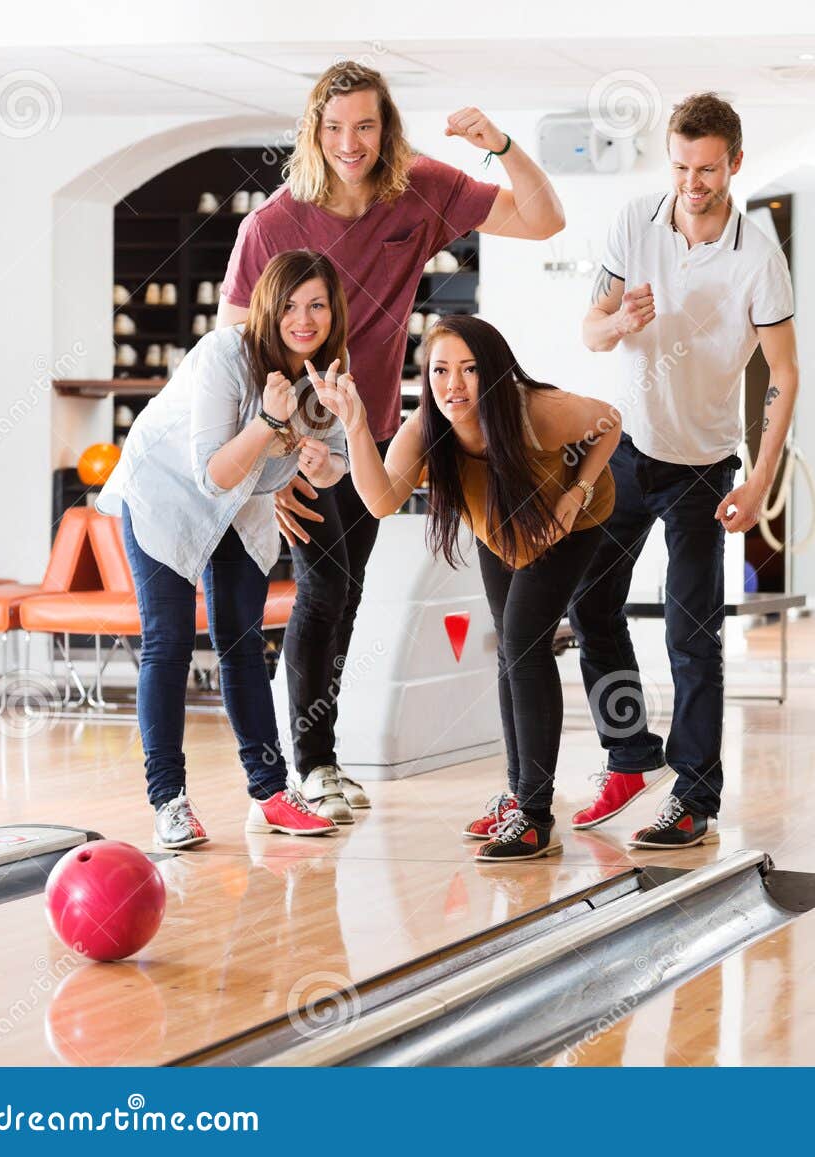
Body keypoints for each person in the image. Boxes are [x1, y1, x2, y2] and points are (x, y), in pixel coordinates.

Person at [218, 60, 566, 822]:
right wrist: (267, 466)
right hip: (298, 444)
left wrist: (502, 146)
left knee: (348, 594)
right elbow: (230, 350)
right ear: (313, 131)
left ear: (387, 129)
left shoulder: (421, 188)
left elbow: (544, 220)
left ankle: (322, 756)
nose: (351, 143)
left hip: (370, 435)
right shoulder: (271, 225)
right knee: (324, 589)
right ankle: (311, 763)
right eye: (335, 127)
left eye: (366, 126)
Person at [569, 92, 799, 849]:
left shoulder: (758, 257)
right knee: (588, 603)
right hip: (626, 450)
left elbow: (784, 372)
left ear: (734, 164)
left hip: (703, 466)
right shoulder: (634, 222)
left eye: (706, 169)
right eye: (679, 167)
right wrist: (619, 321)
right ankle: (630, 755)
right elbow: (591, 330)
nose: (691, 183)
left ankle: (695, 797)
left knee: (692, 637)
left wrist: (759, 481)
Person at [317, 316, 618, 861]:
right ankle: (519, 795)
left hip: (570, 522)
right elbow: (381, 501)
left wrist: (575, 493)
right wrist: (356, 425)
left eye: (469, 369)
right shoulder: (425, 429)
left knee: (524, 644)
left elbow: (609, 422)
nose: (452, 385)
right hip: (500, 527)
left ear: (494, 372)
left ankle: (535, 816)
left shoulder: (536, 412)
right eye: (440, 371)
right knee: (508, 648)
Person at [98, 250, 351, 850]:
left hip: (244, 502)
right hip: (167, 492)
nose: (303, 319)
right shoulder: (224, 354)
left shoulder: (329, 372)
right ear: (267, 308)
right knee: (168, 641)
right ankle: (169, 801)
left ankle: (271, 793)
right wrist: (270, 422)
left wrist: (323, 464)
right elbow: (212, 475)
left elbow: (338, 457)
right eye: (290, 305)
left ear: (334, 312)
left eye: (317, 305)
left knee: (241, 643)